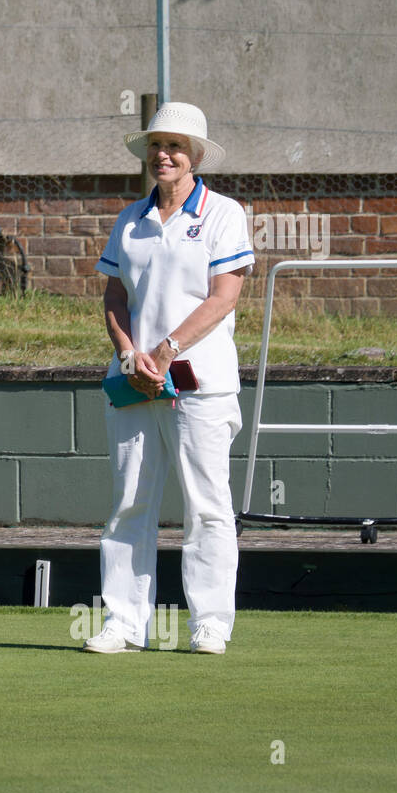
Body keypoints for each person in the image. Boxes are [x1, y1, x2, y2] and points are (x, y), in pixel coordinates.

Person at [84, 102, 254, 655]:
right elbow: (114, 295)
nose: (165, 155)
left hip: (199, 382)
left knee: (207, 506)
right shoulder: (129, 219)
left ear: (196, 157)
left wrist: (165, 349)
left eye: (176, 147)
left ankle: (210, 623)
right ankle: (124, 623)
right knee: (130, 502)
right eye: (157, 146)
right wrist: (131, 355)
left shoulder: (224, 213)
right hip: (134, 382)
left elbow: (224, 295)